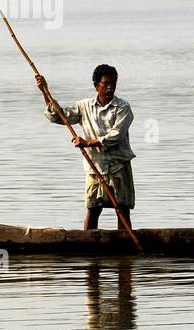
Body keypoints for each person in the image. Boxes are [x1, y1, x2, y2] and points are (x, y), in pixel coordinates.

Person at [35, 64, 135, 231]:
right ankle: (88, 245)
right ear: (96, 85)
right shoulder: (84, 106)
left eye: (113, 83)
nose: (110, 87)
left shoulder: (123, 108)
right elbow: (59, 117)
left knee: (122, 210)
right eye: (106, 83)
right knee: (93, 209)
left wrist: (87, 143)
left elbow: (115, 135)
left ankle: (125, 249)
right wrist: (45, 92)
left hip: (118, 167)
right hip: (95, 166)